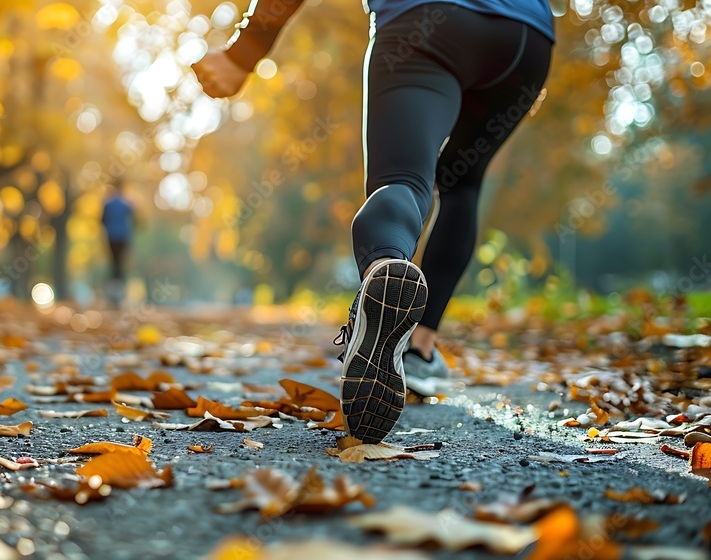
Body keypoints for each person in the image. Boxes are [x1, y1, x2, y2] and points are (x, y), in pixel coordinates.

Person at [193, 0, 554, 443]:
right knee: (461, 184)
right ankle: (420, 347)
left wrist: (244, 52)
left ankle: (385, 266)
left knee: (404, 180)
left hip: (424, 24)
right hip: (526, 37)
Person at [101, 178, 134, 304]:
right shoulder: (126, 204)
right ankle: (119, 291)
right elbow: (135, 219)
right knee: (121, 263)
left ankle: (113, 292)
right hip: (123, 237)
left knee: (113, 262)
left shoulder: (107, 204)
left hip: (111, 236)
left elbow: (101, 220)